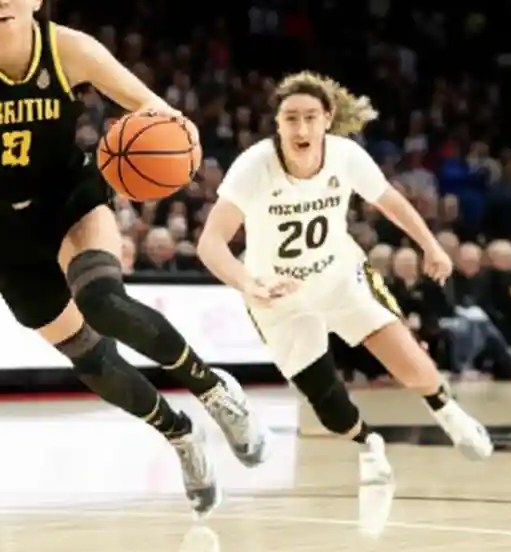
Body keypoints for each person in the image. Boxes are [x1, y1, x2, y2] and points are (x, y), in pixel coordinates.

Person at [0, 0, 264, 517]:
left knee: (105, 303)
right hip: (0, 225)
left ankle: (213, 390)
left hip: (70, 197)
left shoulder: (70, 48)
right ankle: (180, 436)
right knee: (90, 356)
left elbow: (159, 112)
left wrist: (181, 145)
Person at [196, 71, 493, 490]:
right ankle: (369, 444)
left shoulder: (345, 155)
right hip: (276, 295)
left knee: (411, 364)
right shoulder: (254, 166)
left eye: (310, 117)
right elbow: (210, 243)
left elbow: (390, 200)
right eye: (291, 118)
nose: (301, 128)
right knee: (327, 403)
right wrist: (248, 284)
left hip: (339, 278)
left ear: (327, 118)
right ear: (277, 123)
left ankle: (450, 414)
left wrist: (431, 246)